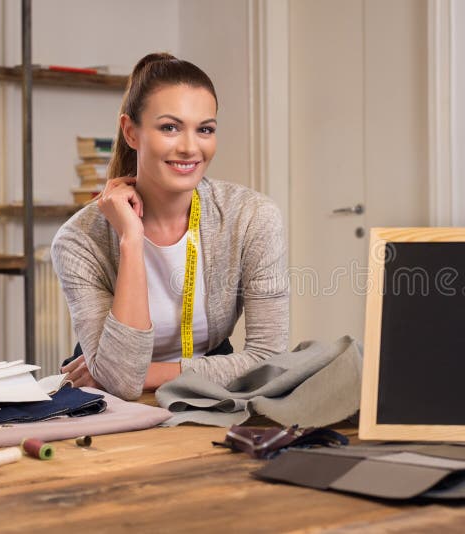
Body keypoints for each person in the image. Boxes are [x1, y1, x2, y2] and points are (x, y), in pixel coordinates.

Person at [51, 53, 289, 400]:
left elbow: (270, 360)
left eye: (205, 129)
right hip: (104, 394)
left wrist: (147, 373)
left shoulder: (252, 217)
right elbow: (119, 381)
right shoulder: (78, 241)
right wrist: (131, 241)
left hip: (207, 384)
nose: (191, 147)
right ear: (131, 132)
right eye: (170, 127)